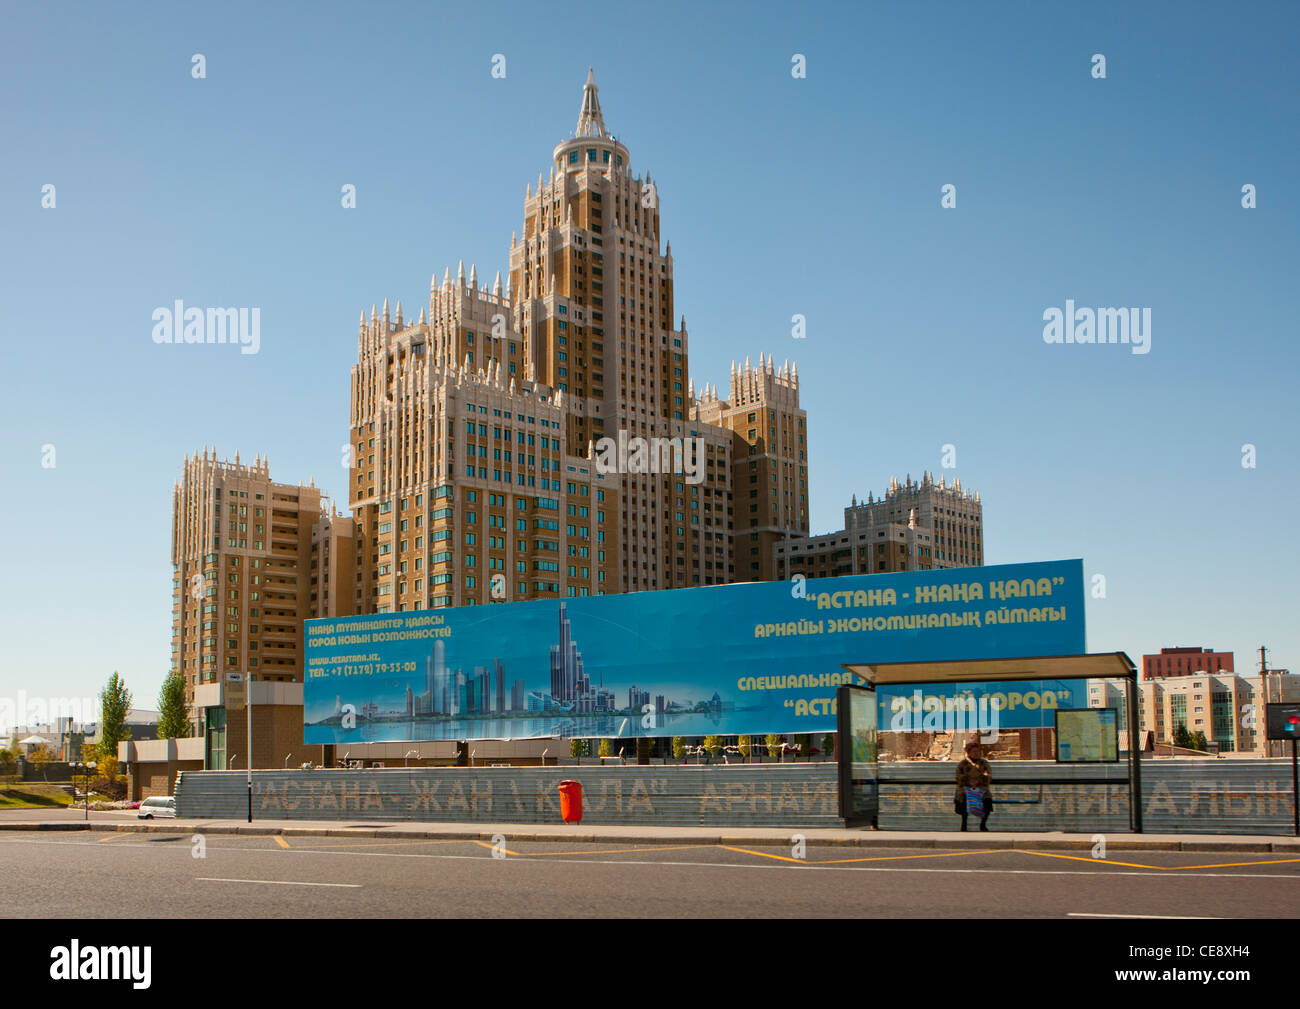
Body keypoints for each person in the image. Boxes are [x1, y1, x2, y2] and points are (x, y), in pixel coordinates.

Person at [954, 738, 993, 831]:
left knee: (987, 801)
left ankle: (983, 825)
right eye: (974, 751)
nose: (976, 753)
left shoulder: (984, 763)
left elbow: (988, 774)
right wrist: (968, 782)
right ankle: (964, 824)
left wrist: (978, 781)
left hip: (981, 788)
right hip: (966, 789)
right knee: (963, 800)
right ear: (969, 752)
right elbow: (958, 776)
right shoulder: (963, 764)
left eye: (978, 751)